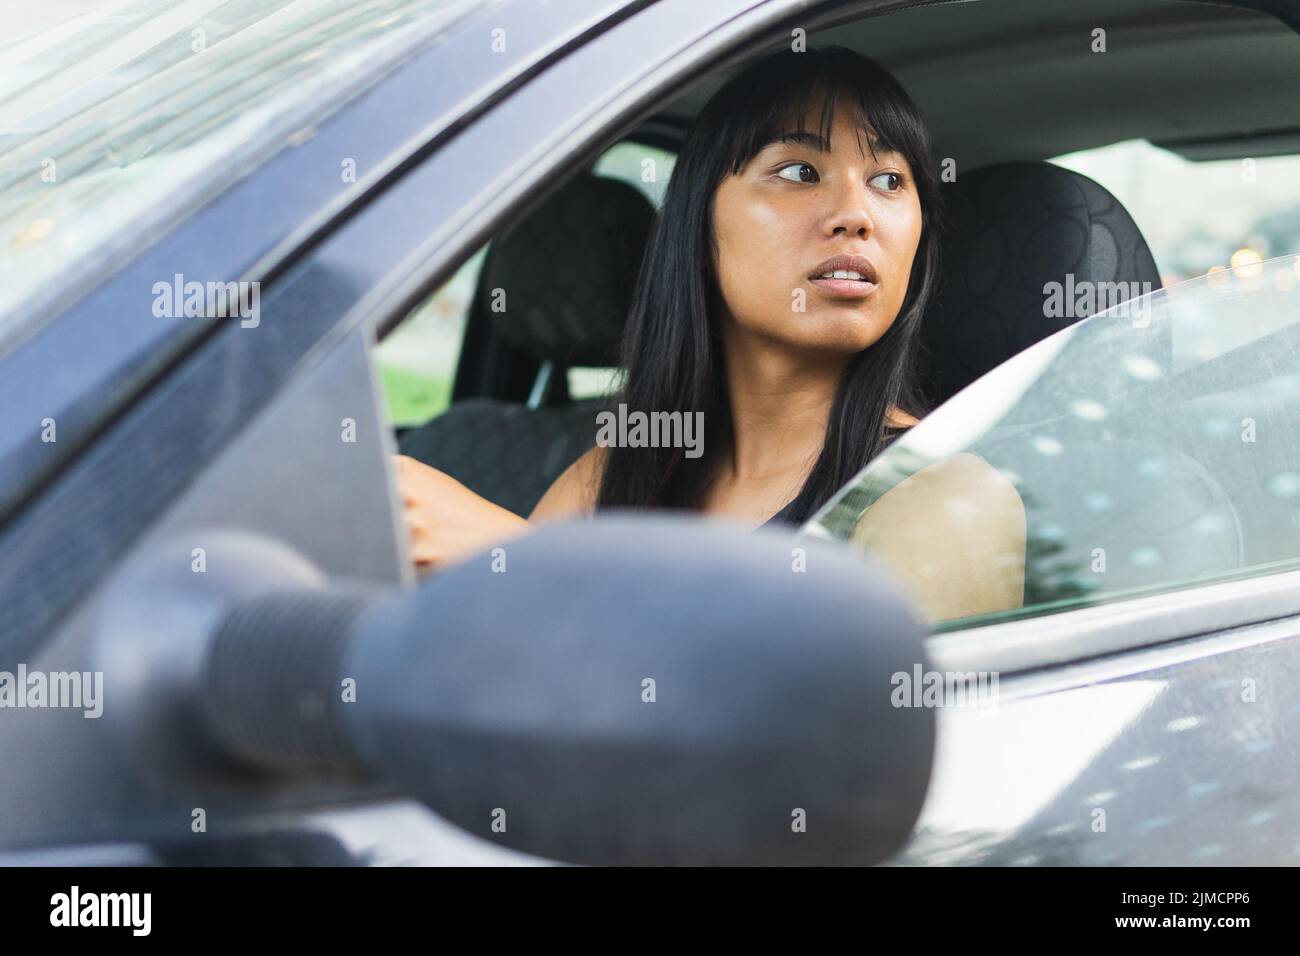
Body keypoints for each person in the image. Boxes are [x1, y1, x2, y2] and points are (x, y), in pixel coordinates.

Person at [395, 46, 1025, 621]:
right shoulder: (611, 475)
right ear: (699, 230)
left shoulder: (939, 496)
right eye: (800, 172)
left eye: (889, 181)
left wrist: (519, 568)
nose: (857, 216)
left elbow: (832, 742)